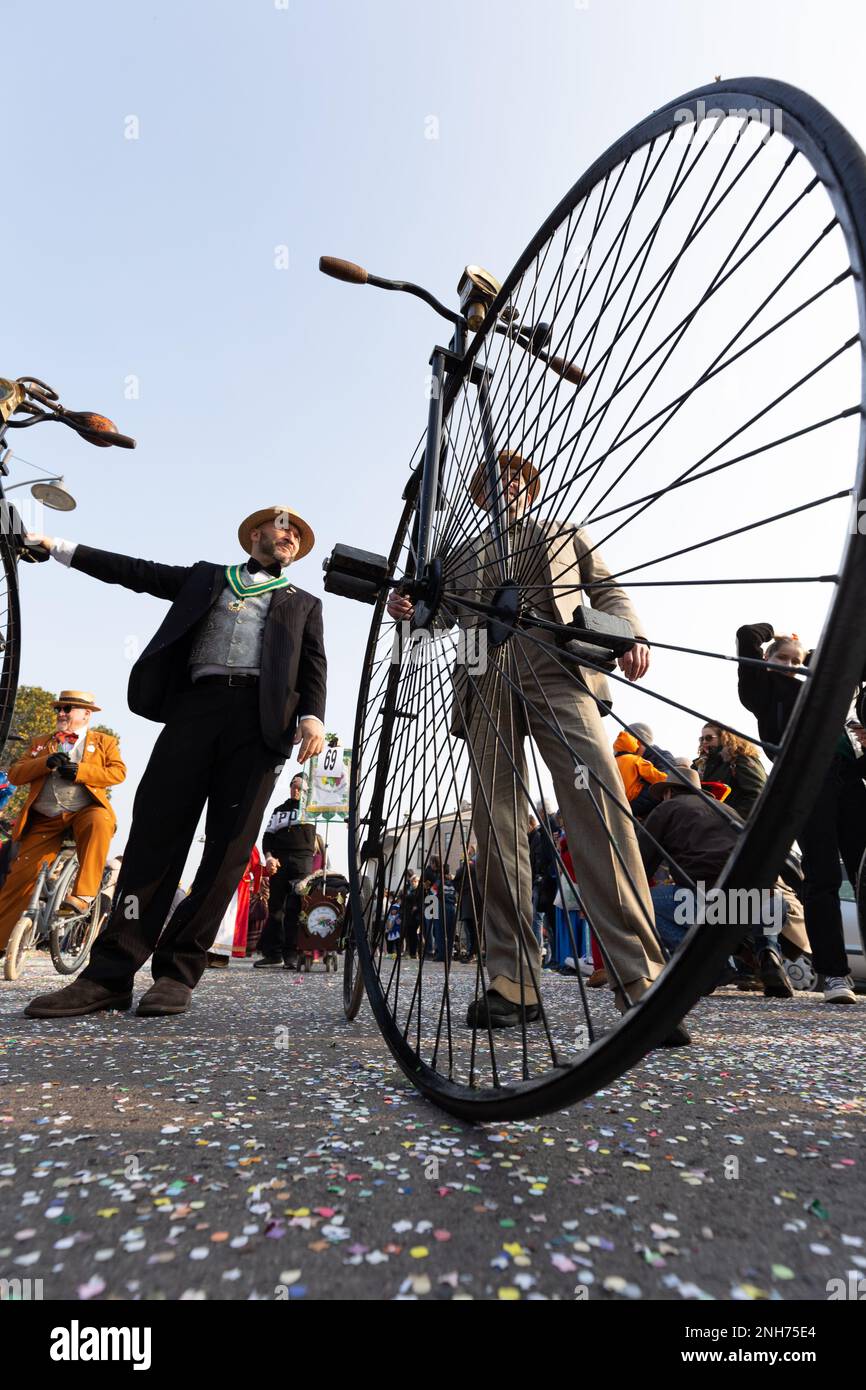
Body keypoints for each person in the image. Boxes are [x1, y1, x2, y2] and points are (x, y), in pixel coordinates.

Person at [387, 449, 684, 1042]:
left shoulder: (563, 530)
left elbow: (610, 592)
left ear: (529, 486)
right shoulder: (461, 550)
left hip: (558, 665)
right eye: (492, 483)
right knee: (496, 824)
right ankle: (512, 981)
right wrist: (409, 608)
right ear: (478, 496)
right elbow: (432, 615)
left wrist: (634, 634)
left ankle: (640, 978)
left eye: (516, 479)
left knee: (598, 803)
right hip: (483, 669)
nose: (506, 488)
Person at [23, 506, 326, 1019]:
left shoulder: (304, 603)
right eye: (282, 526)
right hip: (195, 708)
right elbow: (134, 572)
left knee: (228, 850)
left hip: (259, 725)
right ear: (256, 534)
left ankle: (177, 971)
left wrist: (313, 717)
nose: (290, 536)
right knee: (153, 840)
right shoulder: (207, 577)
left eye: (297, 533)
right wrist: (55, 546)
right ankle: (110, 974)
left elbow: (314, 663)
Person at [737, 622, 864, 1004]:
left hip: (851, 782)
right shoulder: (765, 691)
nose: (792, 666)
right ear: (768, 661)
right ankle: (835, 974)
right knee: (822, 875)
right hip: (809, 785)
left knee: (864, 875)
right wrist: (776, 634)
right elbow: (747, 636)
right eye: (783, 660)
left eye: (799, 661)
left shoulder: (828, 695)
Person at [639, 765, 793, 998]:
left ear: (669, 792)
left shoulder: (666, 809)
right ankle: (768, 953)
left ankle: (709, 966)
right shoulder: (726, 809)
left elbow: (642, 862)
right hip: (762, 902)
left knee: (643, 905)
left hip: (706, 897)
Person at [0, 691, 125, 955]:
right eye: (59, 709)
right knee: (19, 877)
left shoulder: (104, 742)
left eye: (68, 708)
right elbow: (15, 773)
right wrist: (44, 763)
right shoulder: (41, 742)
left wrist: (82, 772)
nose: (61, 714)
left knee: (100, 820)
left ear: (86, 714)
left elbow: (118, 772)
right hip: (45, 818)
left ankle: (82, 895)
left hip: (83, 811)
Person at [254, 772, 317, 970]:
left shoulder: (313, 809)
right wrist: (269, 857)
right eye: (293, 785)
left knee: (296, 907)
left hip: (302, 861)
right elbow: (267, 837)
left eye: (300, 786)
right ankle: (273, 954)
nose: (296, 790)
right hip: (280, 860)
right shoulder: (279, 810)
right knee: (276, 908)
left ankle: (292, 953)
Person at [692, 723, 766, 820]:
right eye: (702, 739)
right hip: (709, 823)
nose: (704, 742)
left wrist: (733, 819)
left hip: (733, 824)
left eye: (709, 738)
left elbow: (757, 794)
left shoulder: (739, 759)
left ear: (724, 738)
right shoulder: (701, 765)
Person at [613, 728, 668, 808]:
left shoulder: (613, 761)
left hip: (615, 798)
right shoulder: (636, 760)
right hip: (631, 798)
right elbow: (657, 777)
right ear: (633, 745)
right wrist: (670, 779)